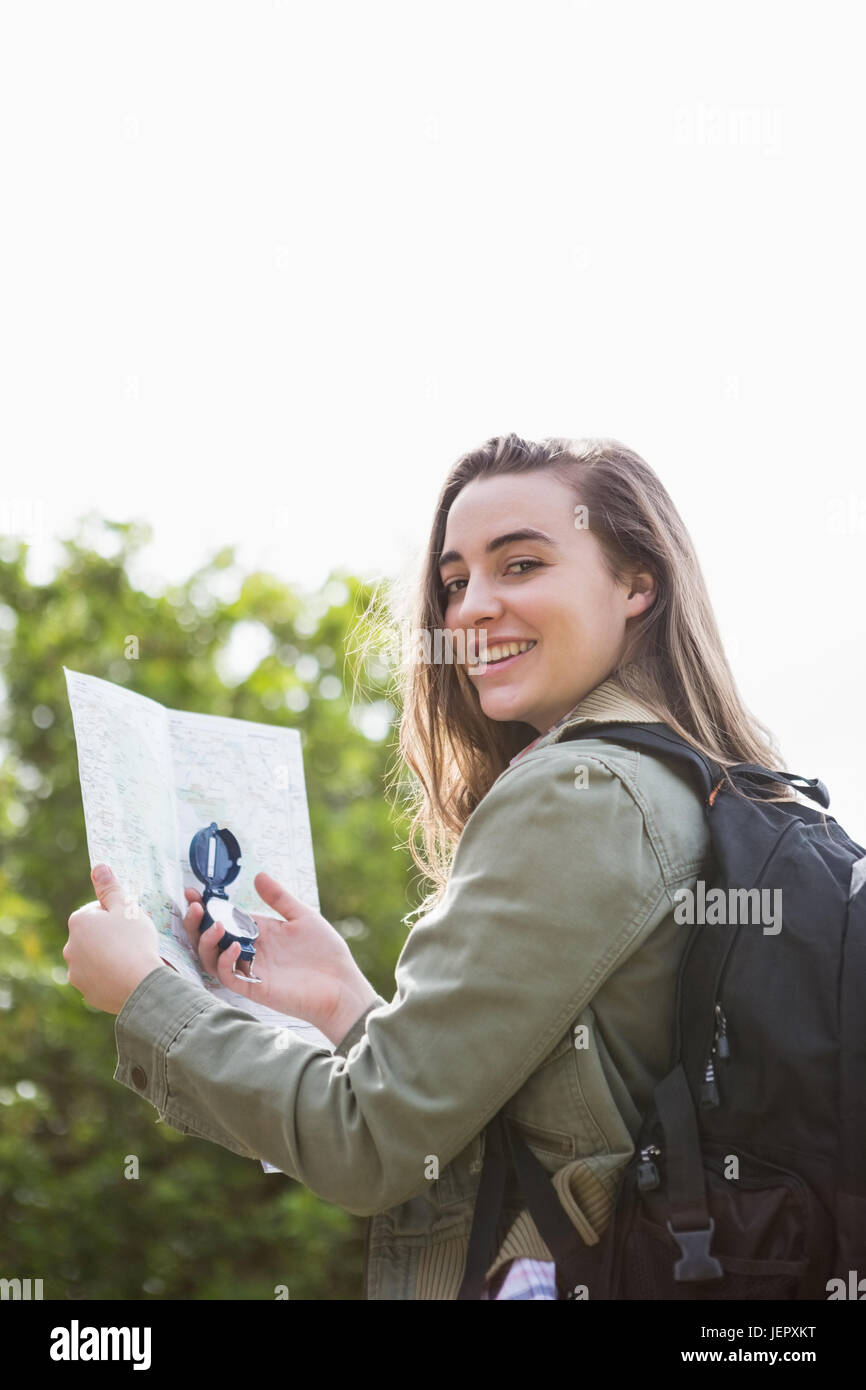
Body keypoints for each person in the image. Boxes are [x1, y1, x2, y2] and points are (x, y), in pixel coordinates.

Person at [64, 433, 796, 1300]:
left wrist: (148, 995)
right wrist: (344, 1001)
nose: (471, 609)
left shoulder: (578, 794)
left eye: (520, 565)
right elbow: (555, 1125)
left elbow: (370, 1144)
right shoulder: (707, 785)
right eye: (455, 583)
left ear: (638, 583)